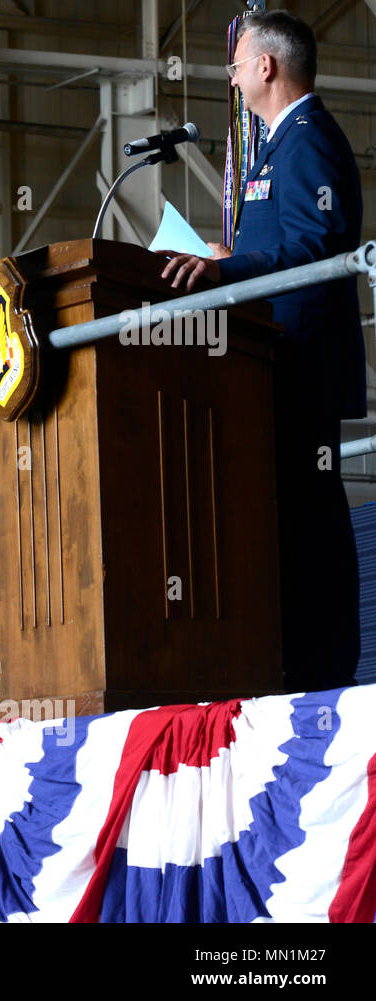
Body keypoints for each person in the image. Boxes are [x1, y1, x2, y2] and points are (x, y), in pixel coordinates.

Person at [160, 11, 364, 693]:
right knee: (289, 521)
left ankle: (322, 671)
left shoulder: (307, 141)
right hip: (275, 361)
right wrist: (230, 257)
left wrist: (228, 272)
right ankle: (298, 668)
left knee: (310, 520)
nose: (233, 75)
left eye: (237, 63)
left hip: (301, 360)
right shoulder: (282, 143)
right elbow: (286, 241)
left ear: (267, 67)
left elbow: (317, 246)